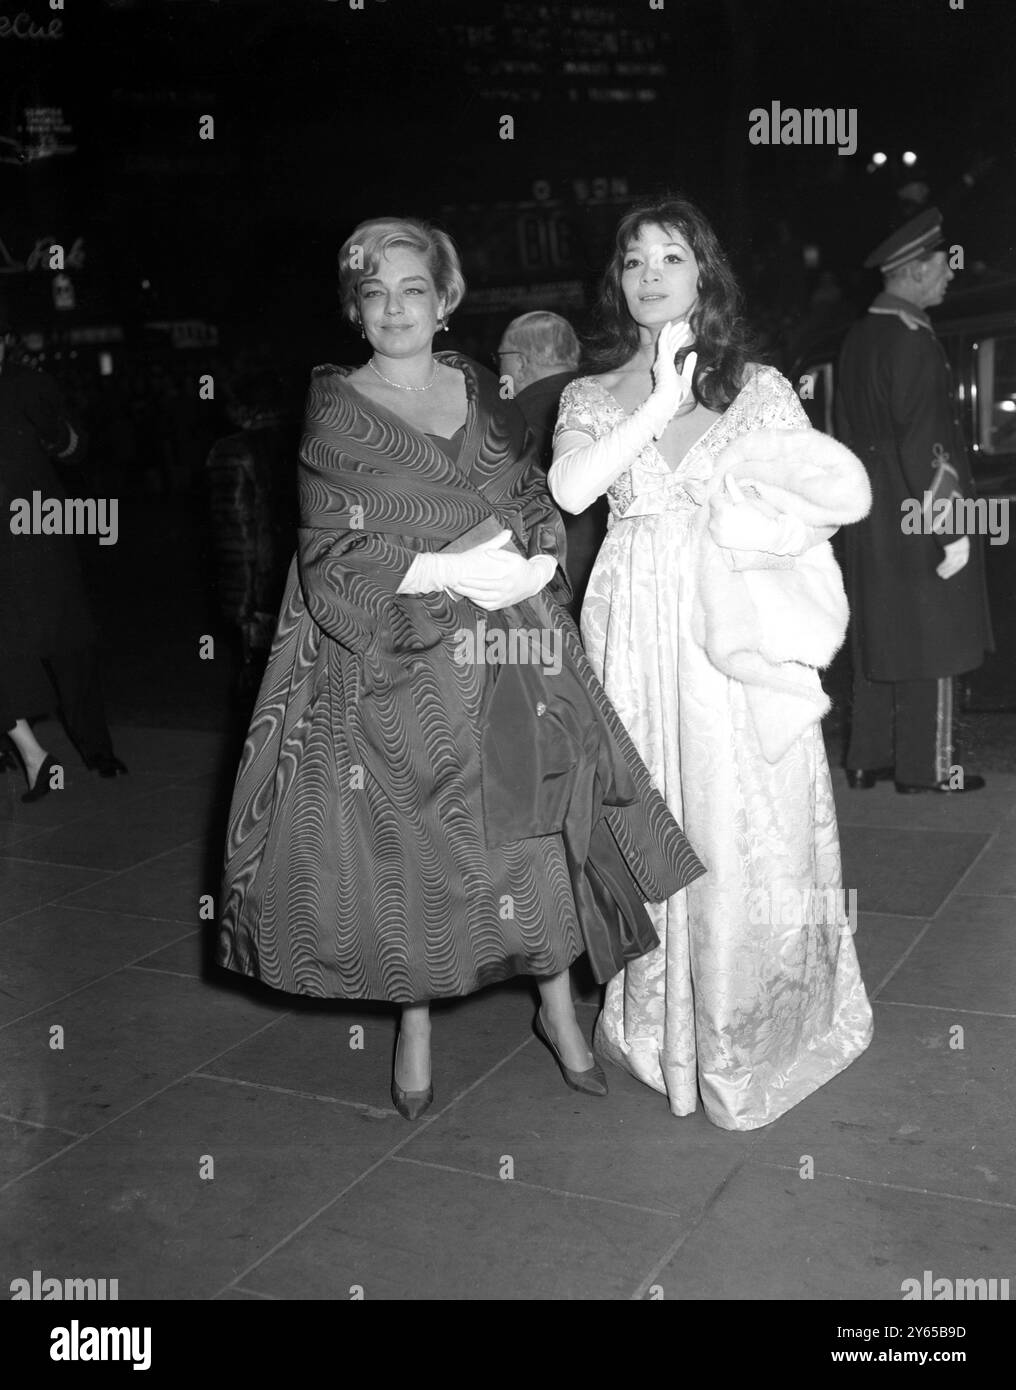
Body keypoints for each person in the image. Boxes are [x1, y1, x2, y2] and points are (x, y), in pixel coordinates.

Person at [216, 217, 704, 1120]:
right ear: (357, 313)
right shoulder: (336, 407)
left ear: (445, 302)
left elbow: (529, 491)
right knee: (418, 846)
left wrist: (540, 554)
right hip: (397, 660)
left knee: (534, 826)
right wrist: (436, 568)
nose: (395, 308)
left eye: (413, 289)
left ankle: (558, 1011)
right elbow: (330, 551)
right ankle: (417, 1022)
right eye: (376, 293)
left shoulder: (480, 383)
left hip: (507, 645)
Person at [549, 197, 873, 1131]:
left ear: (705, 276)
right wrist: (655, 394)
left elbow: (817, 506)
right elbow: (572, 488)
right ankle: (661, 1025)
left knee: (749, 819)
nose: (651, 273)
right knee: (654, 815)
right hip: (637, 639)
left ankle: (752, 1027)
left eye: (673, 258)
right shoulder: (591, 394)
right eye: (634, 260)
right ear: (618, 281)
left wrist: (753, 532)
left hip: (732, 630)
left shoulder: (761, 389)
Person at [835, 208, 993, 793]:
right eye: (941, 266)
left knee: (883, 639)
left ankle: (867, 759)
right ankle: (928, 769)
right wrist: (950, 528)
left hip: (872, 514)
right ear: (916, 271)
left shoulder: (859, 336)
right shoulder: (914, 343)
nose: (949, 275)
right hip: (917, 514)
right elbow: (927, 448)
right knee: (935, 642)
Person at [0, 326, 127, 802]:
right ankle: (25, 751)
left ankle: (96, 749)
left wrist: (55, 433)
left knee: (69, 646)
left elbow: (77, 449)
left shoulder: (29, 384)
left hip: (38, 534)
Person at [497, 311, 608, 618]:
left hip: (548, 594)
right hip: (615, 577)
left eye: (501, 359)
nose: (499, 369)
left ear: (518, 363)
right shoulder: (609, 402)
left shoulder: (505, 425)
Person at [204, 369, 298, 702]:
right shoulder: (308, 440)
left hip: (263, 591)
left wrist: (239, 606)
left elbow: (236, 535)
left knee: (264, 697)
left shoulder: (233, 452)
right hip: (310, 584)